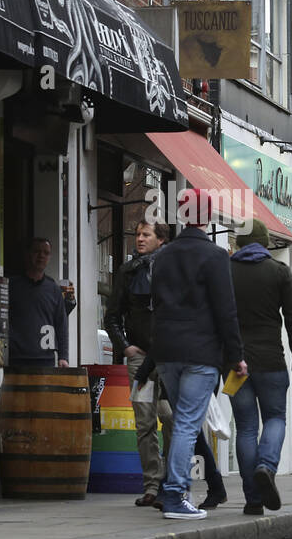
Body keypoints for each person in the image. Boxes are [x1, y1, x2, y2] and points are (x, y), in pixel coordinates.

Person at [149, 189, 247, 519]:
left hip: (167, 354)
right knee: (187, 425)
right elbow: (226, 311)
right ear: (206, 217)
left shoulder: (162, 256)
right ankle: (176, 495)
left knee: (182, 424)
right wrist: (236, 356)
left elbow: (157, 309)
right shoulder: (216, 257)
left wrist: (150, 360)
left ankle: (180, 492)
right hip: (201, 354)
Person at [228, 219, 292, 516]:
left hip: (237, 365)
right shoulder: (279, 271)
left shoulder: (226, 271)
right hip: (272, 361)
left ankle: (252, 500)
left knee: (246, 428)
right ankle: (267, 466)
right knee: (275, 418)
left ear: (238, 243)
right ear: (264, 243)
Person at [104, 219, 174, 508]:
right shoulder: (128, 271)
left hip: (168, 356)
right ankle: (152, 485)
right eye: (137, 234)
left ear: (161, 239)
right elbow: (112, 316)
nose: (140, 239)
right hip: (140, 358)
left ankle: (172, 480)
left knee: (170, 417)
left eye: (146, 234)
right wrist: (125, 347)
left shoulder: (172, 268)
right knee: (144, 422)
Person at [7, 237, 74, 367]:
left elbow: (61, 324)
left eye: (46, 253)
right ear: (28, 254)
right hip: (16, 359)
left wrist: (63, 356)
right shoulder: (12, 286)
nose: (41, 256)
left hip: (45, 360)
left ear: (49, 257)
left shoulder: (54, 289)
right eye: (37, 251)